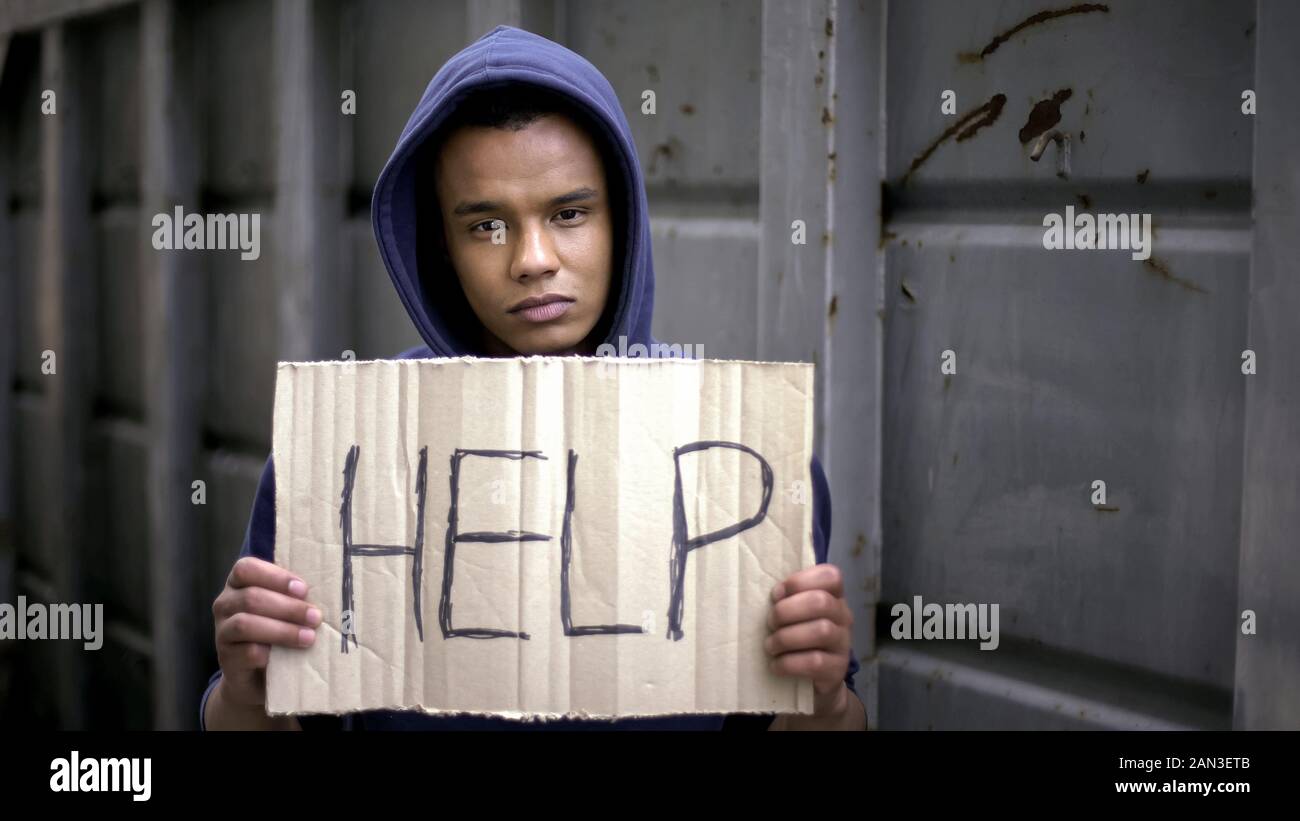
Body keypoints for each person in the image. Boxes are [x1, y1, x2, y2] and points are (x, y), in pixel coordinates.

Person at [202, 25, 866, 731]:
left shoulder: (741, 455)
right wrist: (246, 695)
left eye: (569, 213)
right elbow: (257, 713)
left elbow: (828, 720)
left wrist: (822, 697)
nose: (533, 259)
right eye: (486, 225)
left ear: (624, 221)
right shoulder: (340, 456)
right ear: (441, 246)